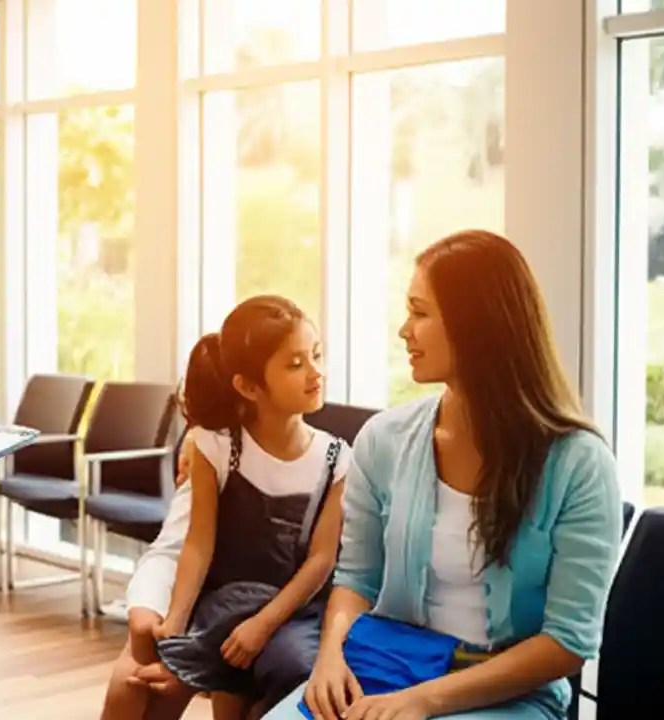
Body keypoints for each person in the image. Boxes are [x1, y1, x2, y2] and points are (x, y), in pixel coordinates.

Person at [268, 230, 622, 720]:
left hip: (507, 695)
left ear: (476, 324)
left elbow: (568, 641)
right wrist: (328, 657)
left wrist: (424, 700)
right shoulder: (384, 440)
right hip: (382, 664)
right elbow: (355, 580)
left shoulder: (580, 465)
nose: (404, 330)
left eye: (419, 312)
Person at [148, 295, 353, 719]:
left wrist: (263, 624)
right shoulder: (215, 446)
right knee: (187, 664)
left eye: (316, 356)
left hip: (293, 608)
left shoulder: (337, 458)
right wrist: (175, 620)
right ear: (248, 386)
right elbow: (199, 543)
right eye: (295, 365)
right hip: (225, 601)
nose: (316, 373)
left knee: (293, 665)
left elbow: (321, 561)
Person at [100, 431, 199, 720]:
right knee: (144, 651)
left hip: (237, 580)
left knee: (174, 664)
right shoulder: (204, 442)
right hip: (176, 561)